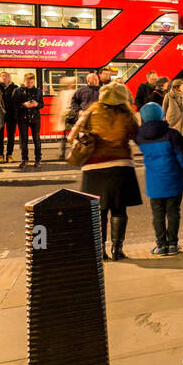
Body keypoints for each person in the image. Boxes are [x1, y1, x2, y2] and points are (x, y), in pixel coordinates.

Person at [69, 81, 142, 260]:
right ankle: (118, 250)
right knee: (119, 210)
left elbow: (72, 136)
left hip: (94, 167)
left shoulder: (90, 112)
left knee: (99, 211)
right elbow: (138, 136)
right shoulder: (126, 114)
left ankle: (99, 250)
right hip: (121, 166)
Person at [135, 101, 183, 256]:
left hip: (154, 182)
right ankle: (173, 244)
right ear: (160, 115)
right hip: (173, 179)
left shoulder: (140, 137)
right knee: (173, 212)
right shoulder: (172, 134)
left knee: (157, 214)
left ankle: (161, 245)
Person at [15, 72, 44, 167]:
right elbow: (14, 105)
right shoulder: (19, 91)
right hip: (22, 118)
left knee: (36, 138)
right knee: (24, 139)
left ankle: (38, 159)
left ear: (34, 81)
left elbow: (42, 104)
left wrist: (37, 104)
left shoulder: (38, 91)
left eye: (31, 82)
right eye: (28, 82)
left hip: (35, 118)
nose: (29, 84)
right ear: (24, 81)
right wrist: (24, 105)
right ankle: (24, 159)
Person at [54, 76, 78, 161]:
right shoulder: (74, 92)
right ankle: (74, 153)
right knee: (73, 135)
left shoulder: (62, 92)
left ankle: (63, 154)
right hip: (71, 115)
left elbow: (58, 105)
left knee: (65, 136)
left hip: (65, 115)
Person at [0, 70, 19, 163]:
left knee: (11, 136)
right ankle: (0, 155)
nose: (4, 78)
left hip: (11, 115)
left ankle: (9, 155)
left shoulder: (15, 88)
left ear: (9, 77)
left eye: (6, 76)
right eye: (2, 76)